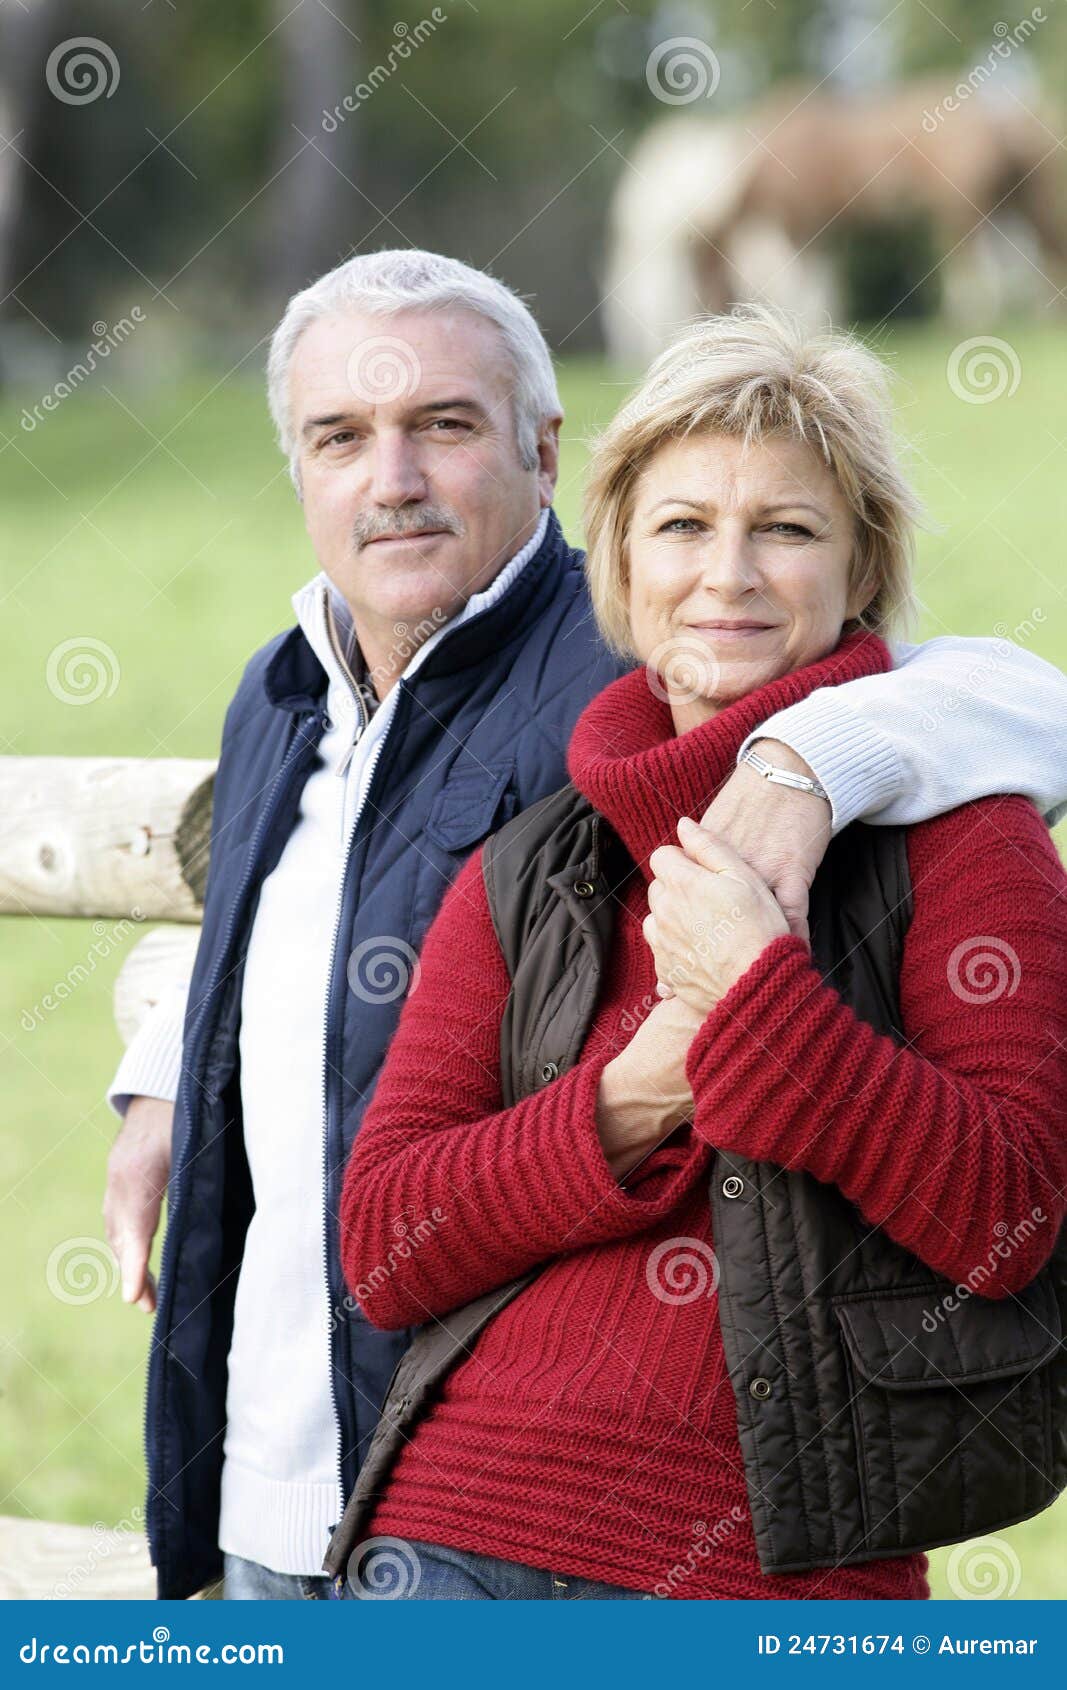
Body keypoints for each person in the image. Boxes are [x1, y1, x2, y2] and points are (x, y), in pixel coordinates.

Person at [102, 254, 1067, 1601]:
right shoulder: (349, 736)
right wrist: (168, 1044)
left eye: (785, 528)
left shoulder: (933, 804)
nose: (726, 573)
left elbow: (1013, 1221)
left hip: (750, 1571)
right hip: (375, 1521)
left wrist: (766, 973)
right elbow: (374, 1204)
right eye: (341, 436)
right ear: (625, 558)